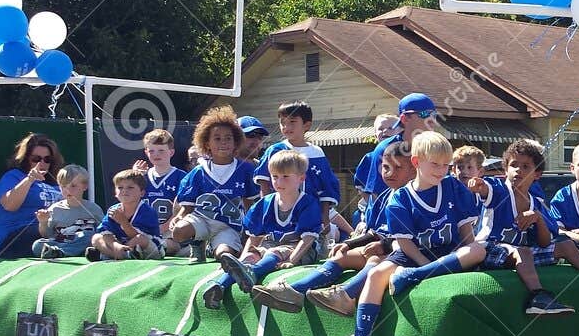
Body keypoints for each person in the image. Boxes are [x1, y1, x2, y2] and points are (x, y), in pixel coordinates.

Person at [338, 131, 483, 336]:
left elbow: (466, 232)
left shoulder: (452, 187)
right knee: (375, 275)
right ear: (416, 162)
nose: (442, 170)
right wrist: (422, 263)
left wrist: (468, 252)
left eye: (446, 165)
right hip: (414, 253)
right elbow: (405, 245)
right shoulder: (400, 199)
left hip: (448, 252)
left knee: (478, 249)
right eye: (435, 164)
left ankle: (415, 276)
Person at [471, 139, 579, 309]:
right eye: (514, 165)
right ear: (506, 169)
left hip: (520, 255)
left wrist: (538, 218)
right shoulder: (498, 189)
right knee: (523, 251)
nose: (519, 170)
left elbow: (545, 242)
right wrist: (478, 186)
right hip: (488, 251)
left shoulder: (536, 202)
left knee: (566, 245)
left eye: (526, 166)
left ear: (537, 174)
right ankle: (537, 297)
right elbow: (485, 190)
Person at [252, 142, 415, 313]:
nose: (390, 173)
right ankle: (294, 291)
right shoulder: (383, 197)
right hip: (381, 248)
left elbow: (410, 235)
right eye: (386, 167)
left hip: (402, 253)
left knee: (374, 261)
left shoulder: (414, 197)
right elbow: (375, 231)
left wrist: (384, 245)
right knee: (340, 255)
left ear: (413, 169)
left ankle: (347, 295)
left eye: (398, 168)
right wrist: (349, 243)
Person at [205, 150, 323, 309]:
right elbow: (254, 237)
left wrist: (291, 260)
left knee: (273, 252)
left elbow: (307, 239)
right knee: (250, 256)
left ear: (301, 178)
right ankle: (218, 286)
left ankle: (253, 273)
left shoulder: (308, 203)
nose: (279, 181)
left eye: (285, 176)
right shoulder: (265, 203)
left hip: (299, 250)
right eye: (275, 176)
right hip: (270, 246)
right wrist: (242, 259)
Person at [164, 108, 259, 264]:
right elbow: (188, 205)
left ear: (236, 141)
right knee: (179, 231)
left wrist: (248, 234)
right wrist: (179, 217)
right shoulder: (199, 172)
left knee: (223, 255)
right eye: (217, 138)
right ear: (206, 143)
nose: (223, 142)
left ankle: (216, 247)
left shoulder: (245, 169)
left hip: (228, 225)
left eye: (228, 138)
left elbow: (250, 205)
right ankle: (198, 244)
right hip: (202, 220)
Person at [253, 101, 341, 226]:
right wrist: (267, 209)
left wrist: (325, 216)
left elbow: (326, 187)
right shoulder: (275, 150)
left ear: (306, 125)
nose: (286, 126)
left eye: (292, 122)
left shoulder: (317, 153)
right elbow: (264, 182)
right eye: (283, 122)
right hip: (280, 213)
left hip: (310, 213)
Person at [0, 133, 65, 257]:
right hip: (14, 236)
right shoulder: (14, 176)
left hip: (51, 230)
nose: (41, 163)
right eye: (36, 159)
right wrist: (29, 179)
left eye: (47, 159)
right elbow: (9, 205)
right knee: (51, 235)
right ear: (26, 158)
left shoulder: (56, 183)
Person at [353, 96, 437, 200]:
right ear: (405, 119)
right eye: (425, 114)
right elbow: (378, 196)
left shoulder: (434, 148)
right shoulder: (385, 149)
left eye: (434, 115)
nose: (432, 120)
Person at [31, 165, 104, 258]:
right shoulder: (55, 209)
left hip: (84, 241)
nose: (68, 190)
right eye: (64, 186)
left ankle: (61, 252)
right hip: (62, 241)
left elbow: (103, 230)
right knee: (37, 245)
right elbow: (47, 235)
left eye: (73, 185)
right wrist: (43, 222)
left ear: (84, 186)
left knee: (88, 235)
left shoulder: (93, 208)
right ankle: (60, 251)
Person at [89, 169, 162, 261]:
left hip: (148, 246)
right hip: (121, 244)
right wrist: (116, 245)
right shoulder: (113, 210)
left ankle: (108, 255)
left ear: (142, 193)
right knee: (96, 238)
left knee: (140, 239)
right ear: (115, 193)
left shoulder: (147, 211)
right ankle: (121, 254)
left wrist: (123, 222)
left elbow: (136, 236)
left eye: (130, 187)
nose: (124, 191)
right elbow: (105, 232)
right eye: (120, 188)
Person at [135, 128, 185, 241]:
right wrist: (134, 177)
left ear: (171, 152)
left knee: (170, 246)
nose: (156, 154)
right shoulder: (142, 176)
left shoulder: (181, 177)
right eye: (151, 151)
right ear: (146, 152)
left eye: (161, 150)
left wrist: (162, 228)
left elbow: (184, 209)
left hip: (169, 232)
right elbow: (128, 202)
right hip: (143, 231)